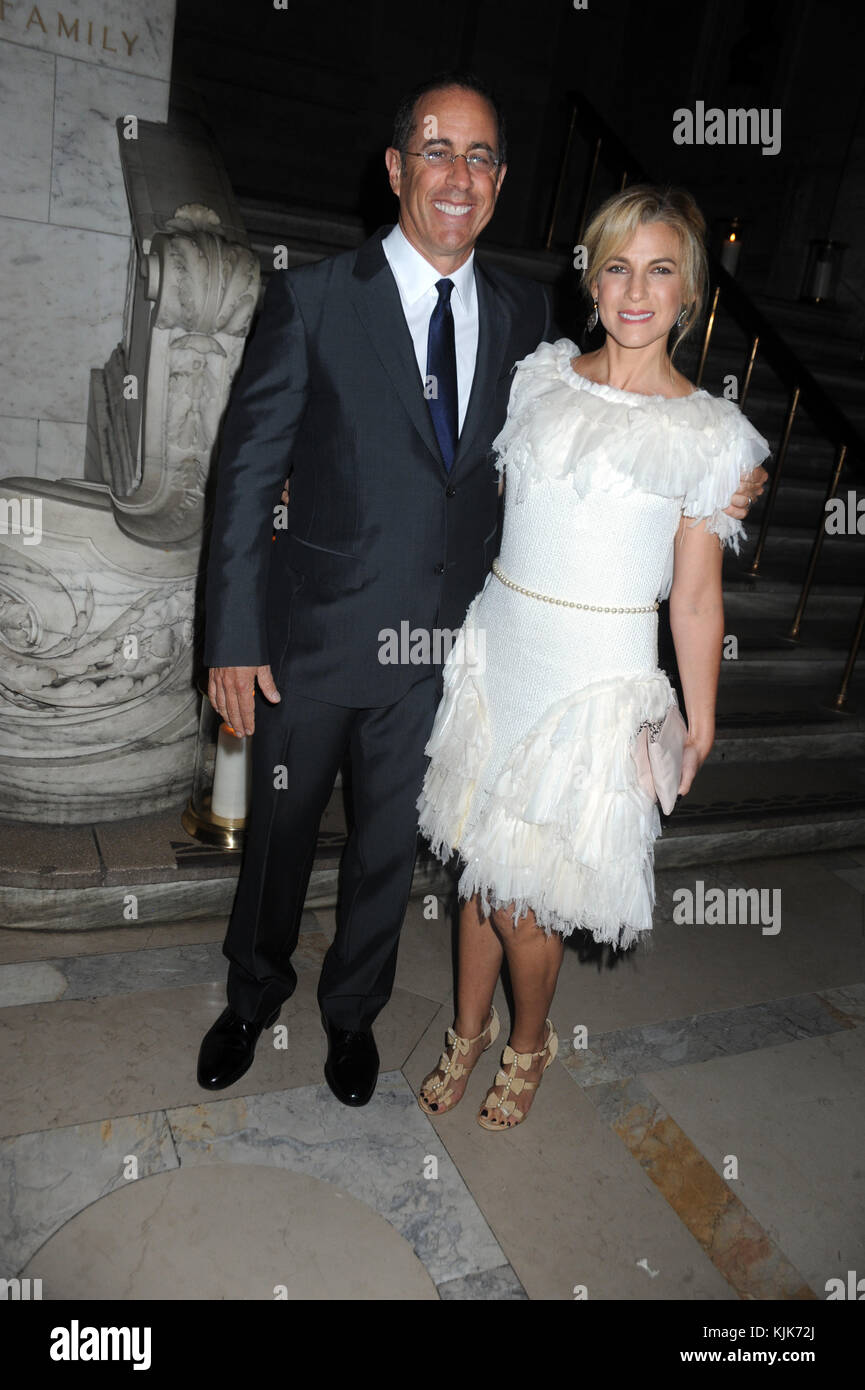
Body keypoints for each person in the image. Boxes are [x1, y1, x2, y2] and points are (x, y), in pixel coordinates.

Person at [196, 73, 555, 1105]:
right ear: (395, 168)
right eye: (438, 150)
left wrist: (710, 467)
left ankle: (350, 1015)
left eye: (481, 156)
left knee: (388, 856)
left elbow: (574, 446)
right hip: (305, 644)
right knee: (278, 835)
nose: (459, 175)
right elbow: (247, 476)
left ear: (497, 182)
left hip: (439, 655)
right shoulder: (313, 300)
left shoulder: (527, 311)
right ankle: (254, 991)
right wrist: (231, 632)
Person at [415, 184, 771, 1130]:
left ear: (690, 290)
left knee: (527, 901)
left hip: (593, 680)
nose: (636, 289)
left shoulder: (710, 437)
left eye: (660, 270)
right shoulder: (539, 377)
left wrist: (700, 720)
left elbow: (694, 598)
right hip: (501, 652)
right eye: (617, 266)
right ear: (591, 277)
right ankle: (465, 1027)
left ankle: (526, 1041)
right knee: (476, 876)